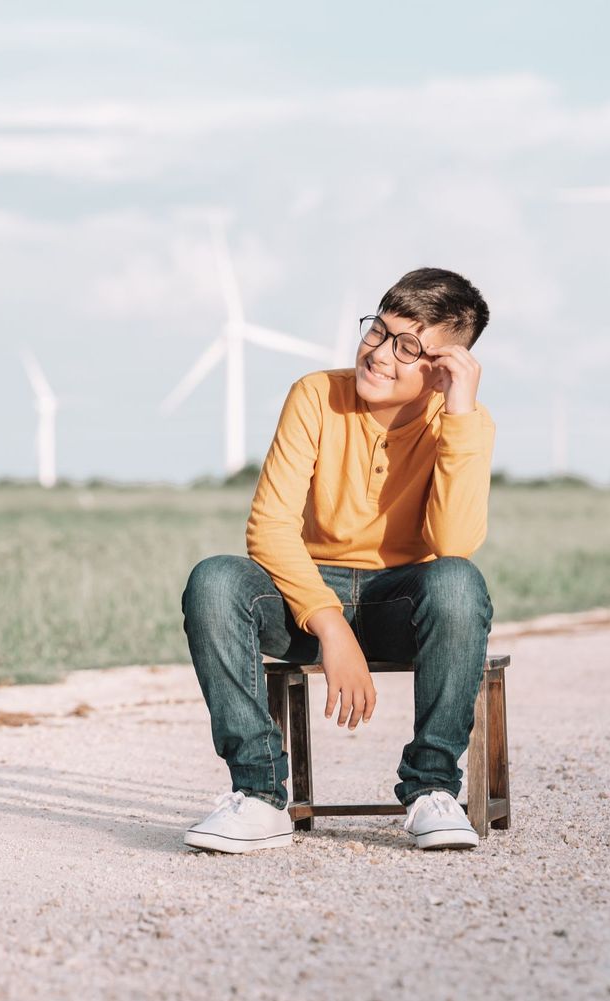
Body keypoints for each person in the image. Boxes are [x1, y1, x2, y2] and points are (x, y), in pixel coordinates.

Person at [181, 267, 494, 852]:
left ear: (442, 371)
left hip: (401, 604)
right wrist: (329, 624)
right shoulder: (314, 395)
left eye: (409, 349)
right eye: (378, 330)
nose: (379, 354)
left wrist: (459, 416)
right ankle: (259, 795)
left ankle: (432, 791)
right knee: (215, 579)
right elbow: (269, 528)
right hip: (304, 594)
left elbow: (451, 543)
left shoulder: (462, 425)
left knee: (457, 581)